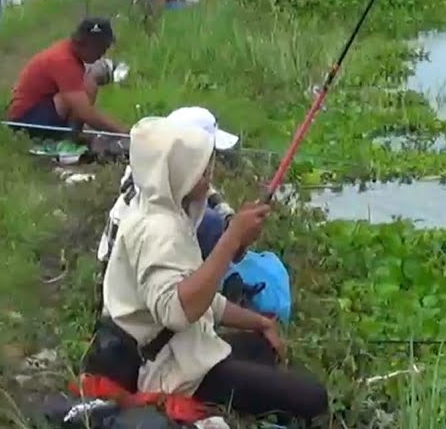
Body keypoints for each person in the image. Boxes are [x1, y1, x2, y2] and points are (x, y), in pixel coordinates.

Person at [97, 117, 328, 422]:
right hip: (166, 370)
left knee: (262, 346)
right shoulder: (157, 231)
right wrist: (231, 240)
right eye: (202, 172)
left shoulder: (165, 210)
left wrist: (258, 322)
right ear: (178, 172)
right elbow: (178, 311)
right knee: (314, 397)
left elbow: (203, 298)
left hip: (186, 349)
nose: (208, 178)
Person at [97, 106, 240, 267]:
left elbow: (208, 192)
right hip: (127, 282)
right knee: (210, 223)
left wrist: (228, 217)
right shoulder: (153, 217)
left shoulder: (166, 172)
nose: (210, 170)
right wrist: (228, 244)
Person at [6, 17, 130, 137]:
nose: (103, 54)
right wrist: (121, 132)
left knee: (84, 87)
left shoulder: (68, 51)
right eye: (102, 48)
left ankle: (71, 132)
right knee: (85, 88)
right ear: (88, 44)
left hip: (38, 110)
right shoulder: (63, 60)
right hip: (25, 120)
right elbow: (85, 112)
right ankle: (69, 136)